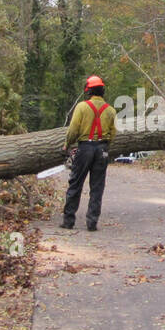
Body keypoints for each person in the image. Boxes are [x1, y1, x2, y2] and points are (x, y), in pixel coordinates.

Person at [62, 75, 115, 231]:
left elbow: (73, 129)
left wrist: (67, 144)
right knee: (97, 187)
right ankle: (92, 222)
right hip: (102, 149)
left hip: (85, 148)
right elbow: (113, 133)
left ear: (89, 91)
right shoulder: (110, 110)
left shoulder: (82, 107)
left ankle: (68, 221)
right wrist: (105, 146)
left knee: (76, 184)